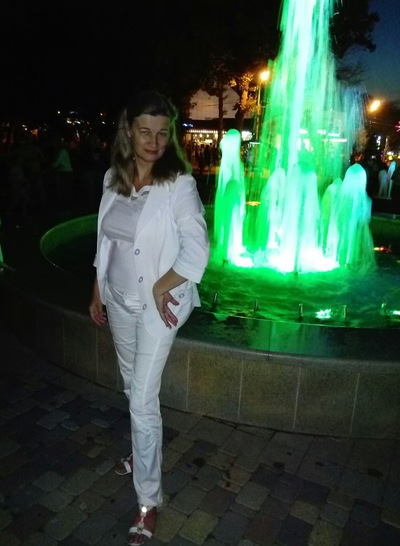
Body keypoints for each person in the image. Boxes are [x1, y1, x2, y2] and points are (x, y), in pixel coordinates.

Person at [88, 90, 210, 544]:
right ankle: (142, 454)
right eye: (145, 131)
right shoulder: (113, 178)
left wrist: (162, 285)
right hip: (118, 299)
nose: (154, 142)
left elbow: (198, 249)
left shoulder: (178, 184)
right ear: (128, 131)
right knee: (129, 384)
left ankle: (148, 500)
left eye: (162, 133)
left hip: (160, 308)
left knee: (141, 400)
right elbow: (106, 240)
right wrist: (98, 288)